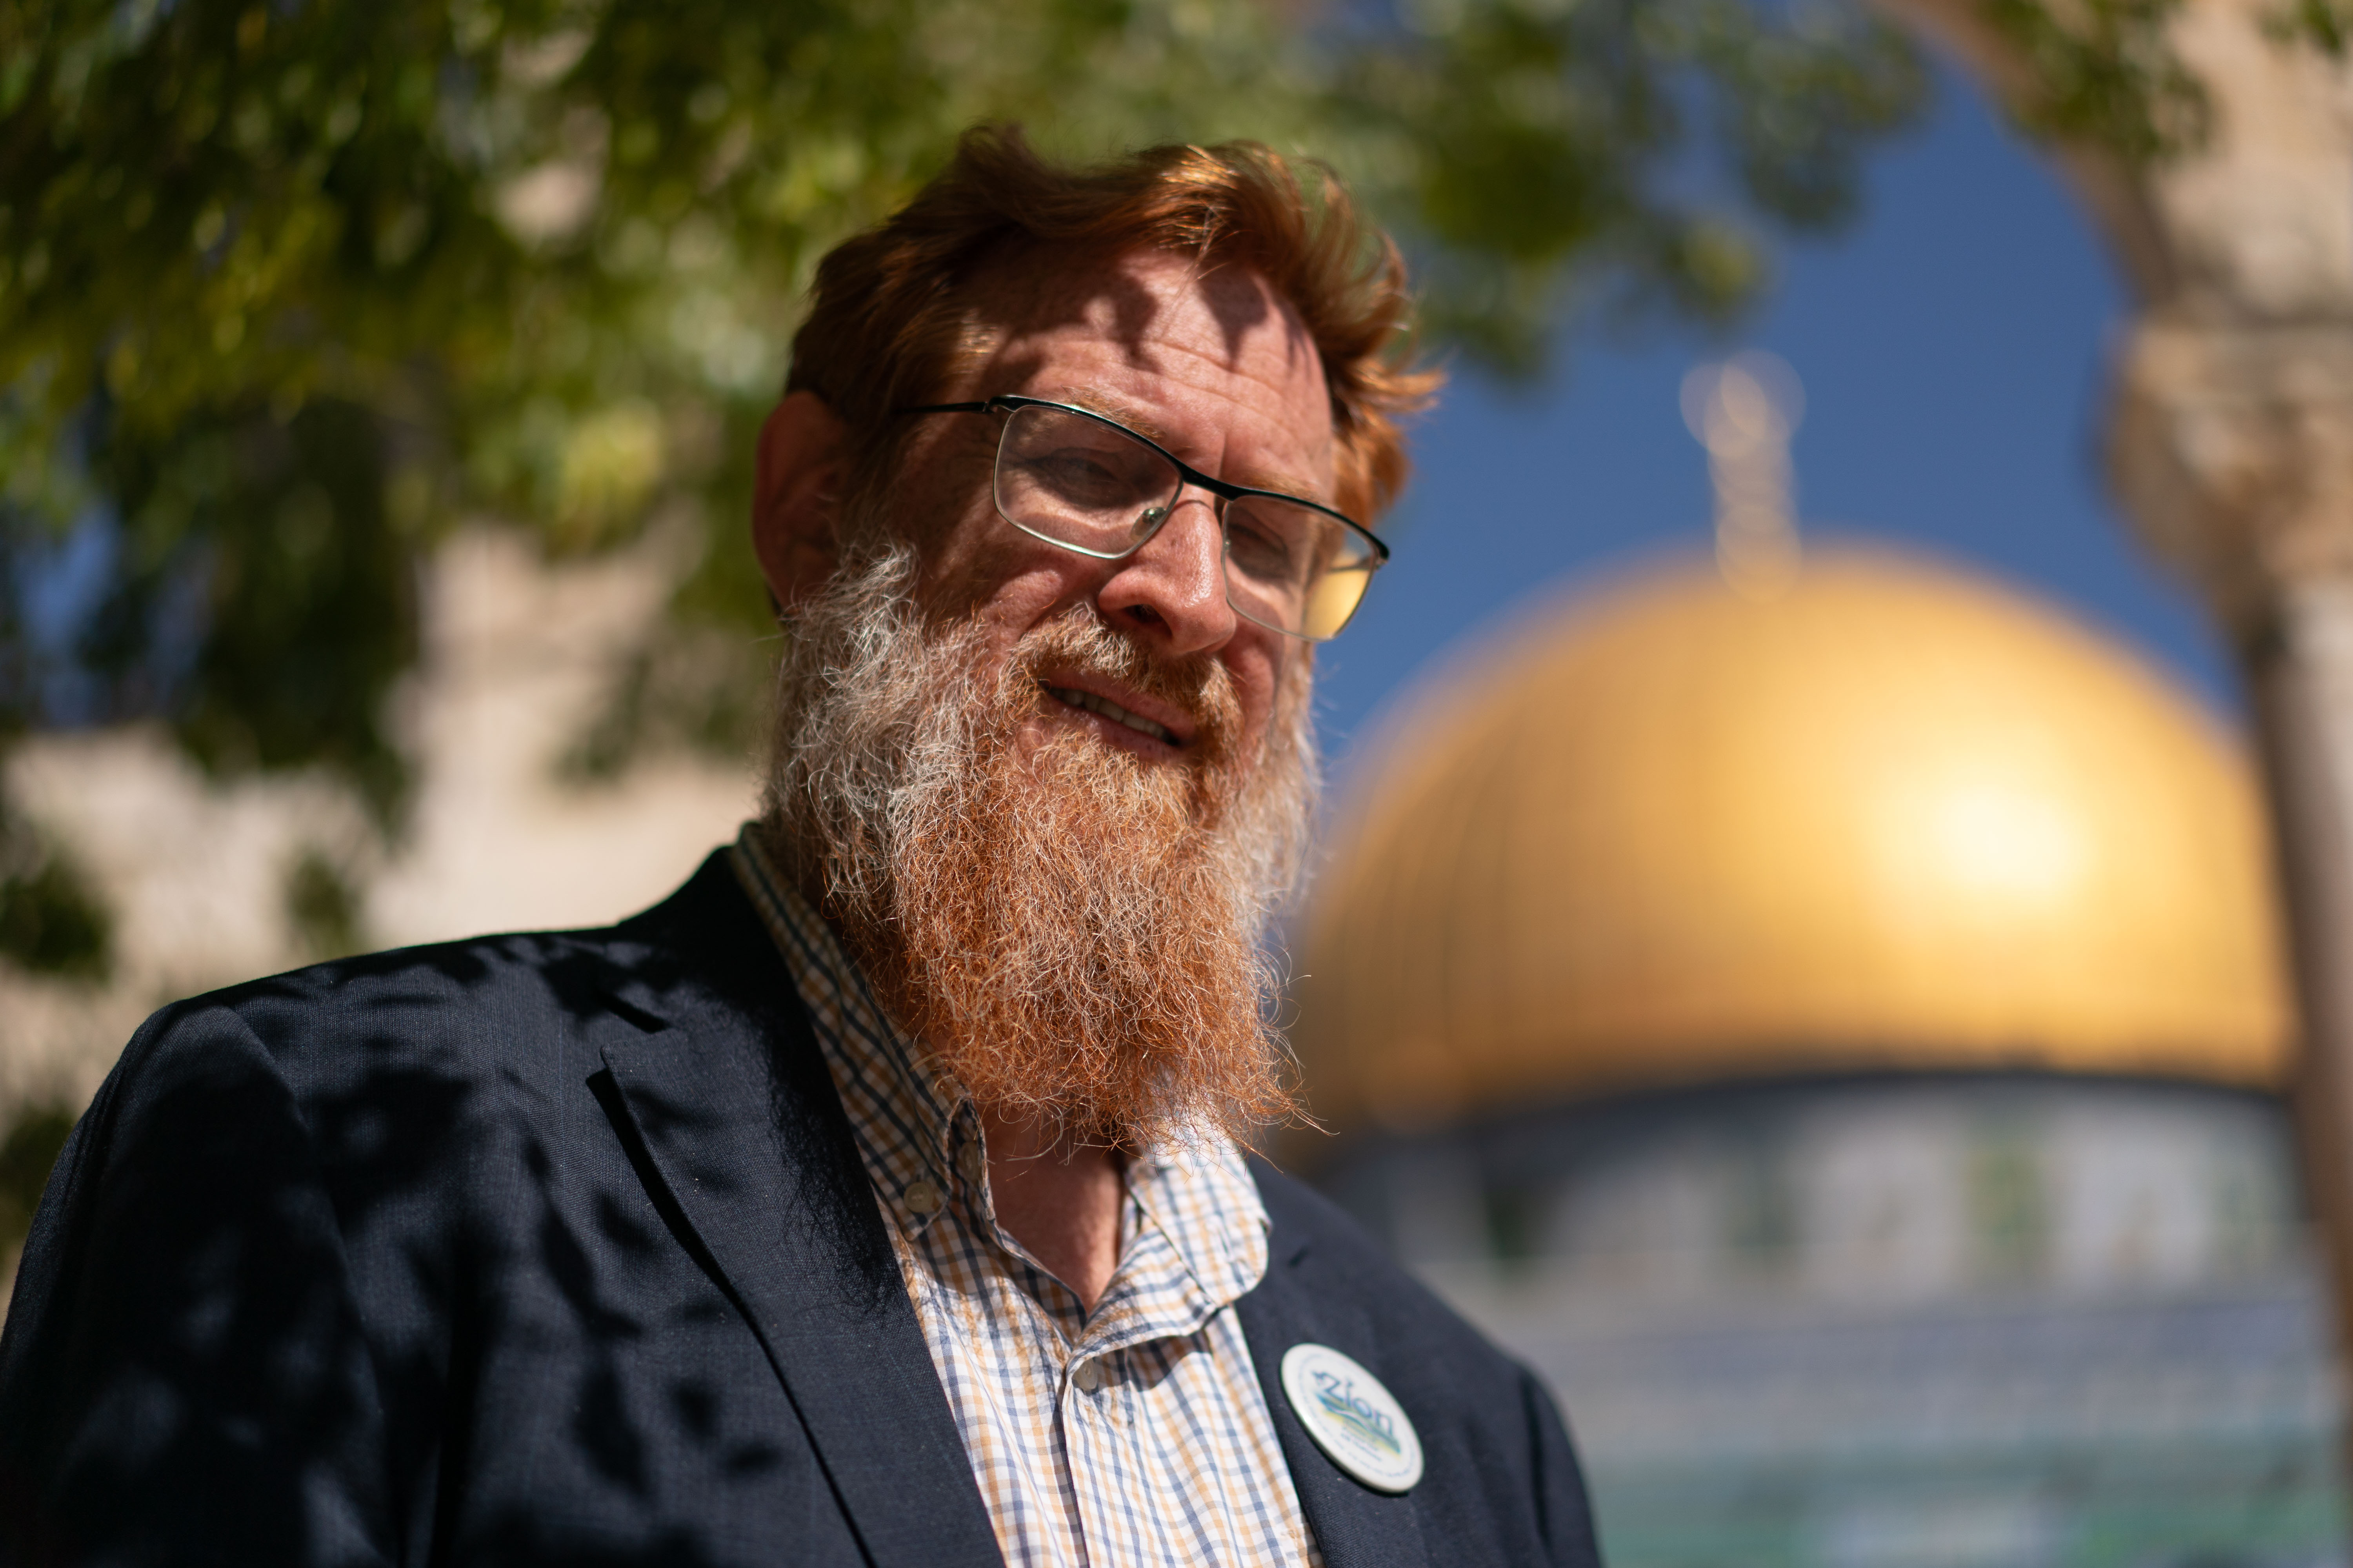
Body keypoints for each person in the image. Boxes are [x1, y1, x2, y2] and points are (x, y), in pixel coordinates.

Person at [0, 128, 1602, 1568]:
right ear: (820, 516)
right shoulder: (350, 1144)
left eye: (1268, 538)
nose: (1188, 595)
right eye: (1088, 466)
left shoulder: (1475, 1431)